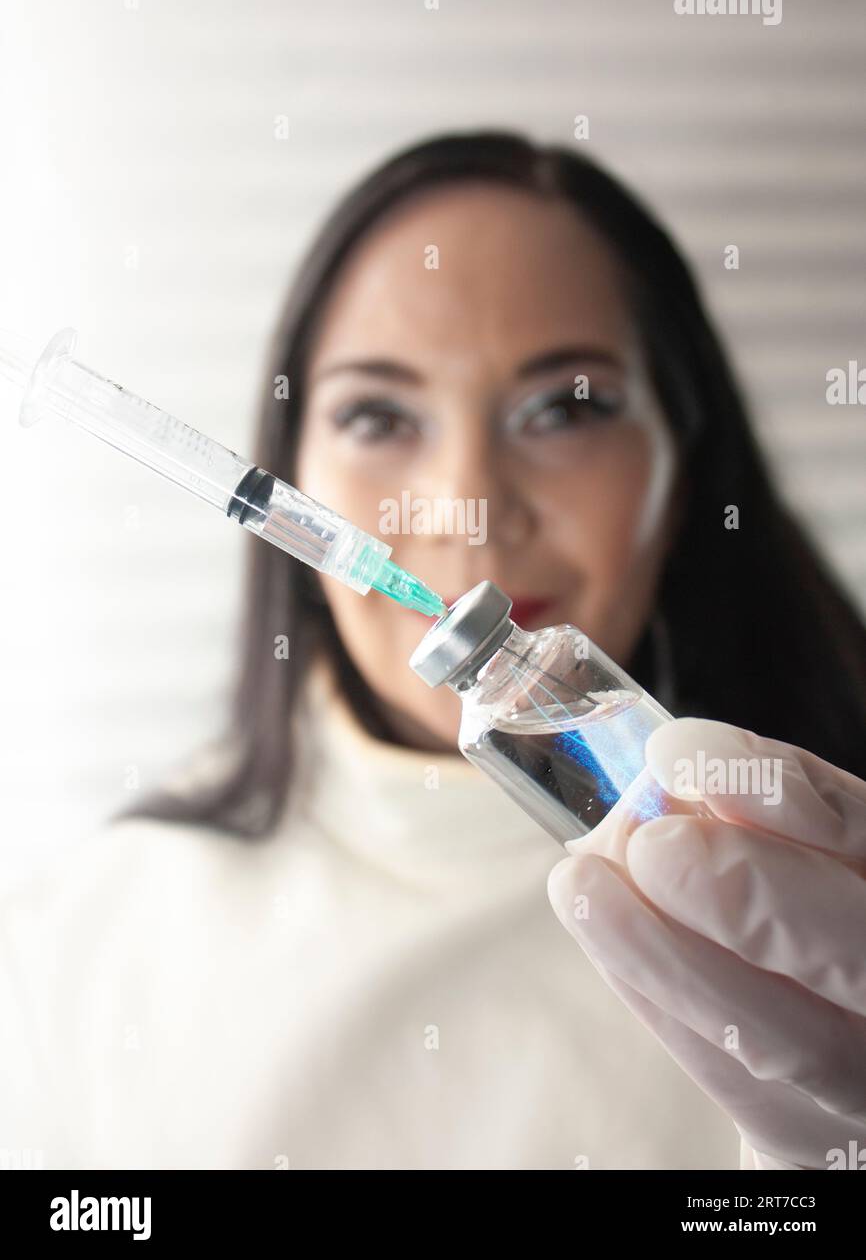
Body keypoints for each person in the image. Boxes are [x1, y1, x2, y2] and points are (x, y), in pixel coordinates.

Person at [1, 131, 864, 1170]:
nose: (466, 510)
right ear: (282, 477)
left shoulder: (836, 852)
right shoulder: (84, 947)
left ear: (682, 467)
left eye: (566, 407)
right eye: (378, 413)